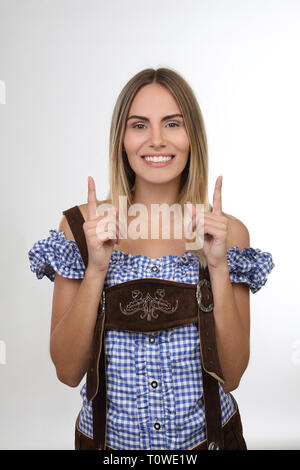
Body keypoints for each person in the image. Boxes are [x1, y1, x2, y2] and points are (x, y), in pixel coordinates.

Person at [28, 67, 275, 450]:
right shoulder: (80, 228)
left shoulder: (226, 233)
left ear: (192, 136)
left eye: (172, 124)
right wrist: (96, 269)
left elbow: (232, 376)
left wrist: (218, 266)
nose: (157, 141)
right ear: (122, 139)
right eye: (139, 125)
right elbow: (67, 371)